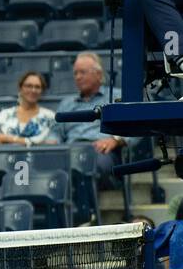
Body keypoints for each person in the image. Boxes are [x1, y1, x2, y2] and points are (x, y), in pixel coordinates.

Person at [54, 52, 132, 188]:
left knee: (92, 167)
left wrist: (116, 139)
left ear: (98, 74)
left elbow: (136, 127)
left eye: (82, 72)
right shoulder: (66, 103)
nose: (78, 77)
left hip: (101, 151)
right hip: (71, 150)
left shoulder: (117, 97)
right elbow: (55, 132)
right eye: (75, 73)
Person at [0, 70, 58, 147]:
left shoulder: (50, 117)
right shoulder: (4, 115)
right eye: (29, 86)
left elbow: (52, 143)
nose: (33, 90)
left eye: (37, 87)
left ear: (42, 91)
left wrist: (10, 139)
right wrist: (35, 142)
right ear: (20, 88)